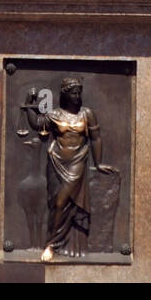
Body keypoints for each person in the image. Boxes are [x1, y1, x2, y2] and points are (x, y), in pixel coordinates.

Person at [21, 77, 116, 260]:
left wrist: (98, 163)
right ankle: (54, 243)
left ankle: (51, 245)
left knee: (61, 203)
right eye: (73, 93)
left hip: (77, 162)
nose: (77, 96)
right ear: (65, 94)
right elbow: (36, 124)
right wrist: (28, 104)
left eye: (79, 93)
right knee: (54, 203)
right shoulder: (55, 114)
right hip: (56, 162)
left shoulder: (87, 114)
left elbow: (96, 138)